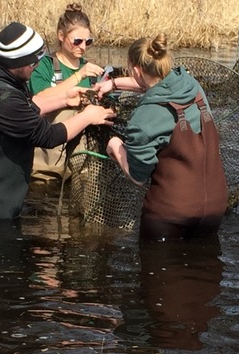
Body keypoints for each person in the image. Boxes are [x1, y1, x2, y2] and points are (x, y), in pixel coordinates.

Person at [0, 21, 115, 220]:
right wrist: (88, 116)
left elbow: (27, 108)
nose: (37, 66)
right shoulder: (0, 97)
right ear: (15, 62)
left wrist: (64, 99)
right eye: (33, 62)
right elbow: (49, 136)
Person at [94, 34, 228, 240]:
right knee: (203, 267)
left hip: (171, 215)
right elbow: (154, 84)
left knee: (159, 270)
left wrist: (114, 145)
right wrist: (113, 84)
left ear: (136, 70)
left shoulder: (144, 117)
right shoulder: (190, 85)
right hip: (214, 208)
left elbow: (138, 176)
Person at [28, 4, 106, 180]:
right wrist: (79, 75)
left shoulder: (92, 71)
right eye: (77, 41)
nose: (83, 47)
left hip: (81, 162)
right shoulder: (45, 65)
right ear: (61, 36)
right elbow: (40, 100)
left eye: (88, 41)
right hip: (46, 163)